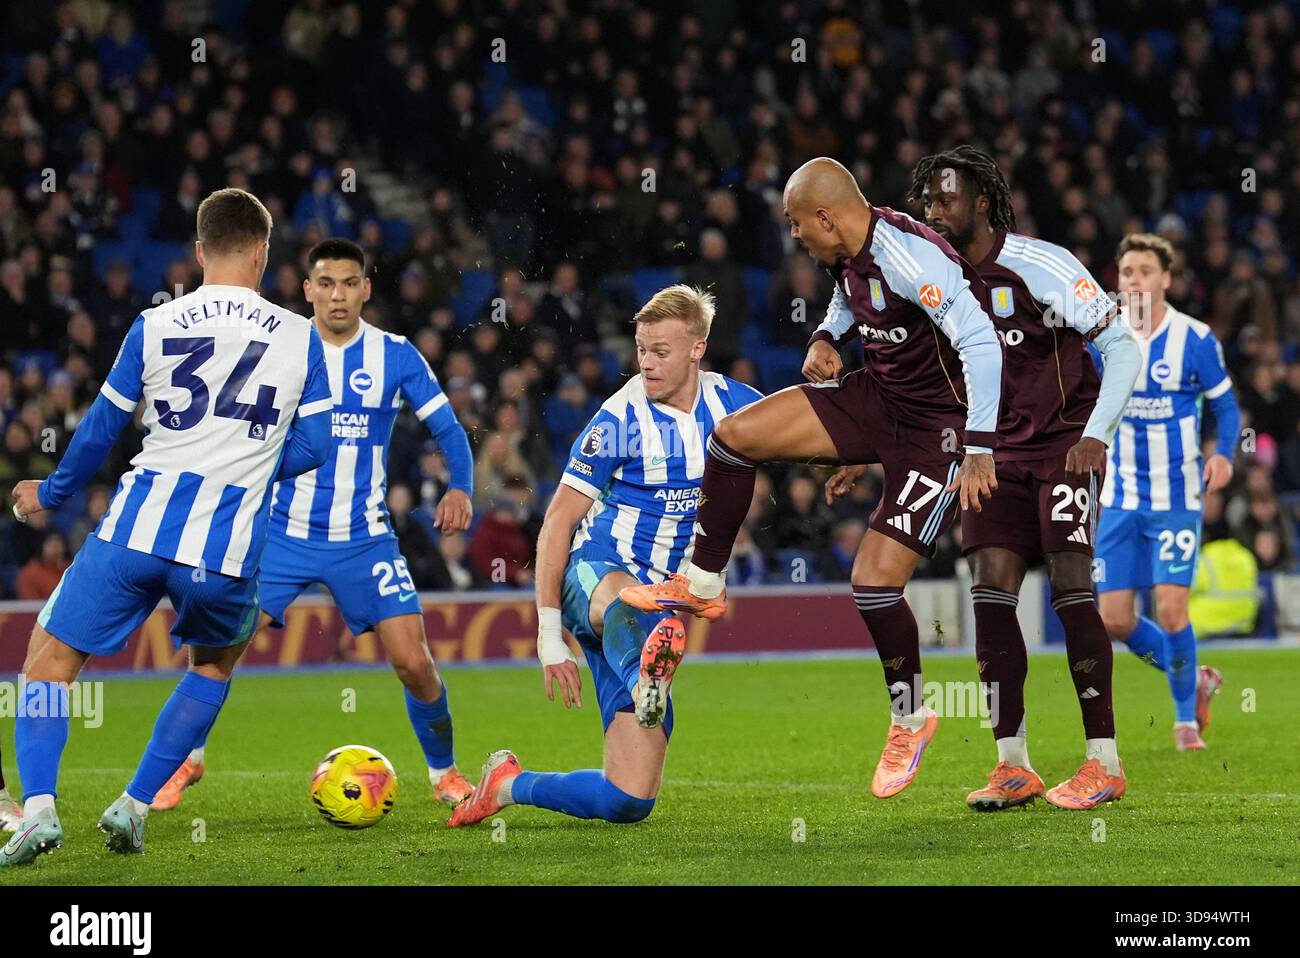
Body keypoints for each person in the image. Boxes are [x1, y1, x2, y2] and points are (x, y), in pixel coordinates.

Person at [620, 158, 1003, 799]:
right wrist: (830, 334)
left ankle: (911, 719)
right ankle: (706, 581)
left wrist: (981, 448)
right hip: (875, 401)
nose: (796, 236)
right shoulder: (848, 251)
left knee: (874, 584)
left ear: (826, 216)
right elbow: (848, 295)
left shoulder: (910, 256)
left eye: (799, 224)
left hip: (936, 434)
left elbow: (982, 341)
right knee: (734, 437)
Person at [3, 188, 331, 865]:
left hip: (135, 529)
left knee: (48, 661)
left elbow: (100, 429)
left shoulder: (154, 324)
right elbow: (319, 443)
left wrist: (53, 490)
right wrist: (253, 462)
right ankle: (134, 802)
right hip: (226, 547)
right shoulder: (302, 336)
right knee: (212, 664)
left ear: (200, 249)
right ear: (264, 254)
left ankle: (37, 810)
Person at [150, 238, 477, 812]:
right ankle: (188, 760)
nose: (337, 295)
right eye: (325, 284)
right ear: (308, 290)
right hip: (280, 535)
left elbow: (448, 430)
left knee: (414, 660)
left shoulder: (395, 354)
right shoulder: (277, 345)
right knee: (216, 648)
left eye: (349, 283)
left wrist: (460, 487)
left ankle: (446, 774)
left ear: (366, 289)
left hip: (364, 538)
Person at [448, 285, 762, 828]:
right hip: (594, 574)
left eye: (661, 351)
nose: (647, 363)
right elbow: (556, 525)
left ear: (697, 348)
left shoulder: (735, 405)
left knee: (628, 800)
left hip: (660, 607)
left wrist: (843, 465)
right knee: (630, 603)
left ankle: (507, 786)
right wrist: (548, 636)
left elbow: (804, 435)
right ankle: (647, 679)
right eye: (641, 349)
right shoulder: (618, 420)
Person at [910, 145, 1142, 810]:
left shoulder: (1042, 264)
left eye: (945, 196)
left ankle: (1105, 760)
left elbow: (1122, 344)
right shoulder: (934, 282)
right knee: (990, 591)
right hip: (992, 456)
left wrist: (1095, 433)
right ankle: (1013, 764)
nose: (934, 209)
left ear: (982, 200)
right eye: (927, 200)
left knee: (1072, 585)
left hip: (1065, 446)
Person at [1096, 233, 1240, 751]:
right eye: (1126, 270)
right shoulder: (1105, 338)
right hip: (1119, 498)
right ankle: (1197, 677)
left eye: (1144, 271)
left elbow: (1225, 407)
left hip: (1177, 498)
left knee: (1172, 611)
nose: (1133, 279)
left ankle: (1184, 720)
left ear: (1166, 280)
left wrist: (1223, 452)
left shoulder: (1194, 339)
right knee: (1113, 618)